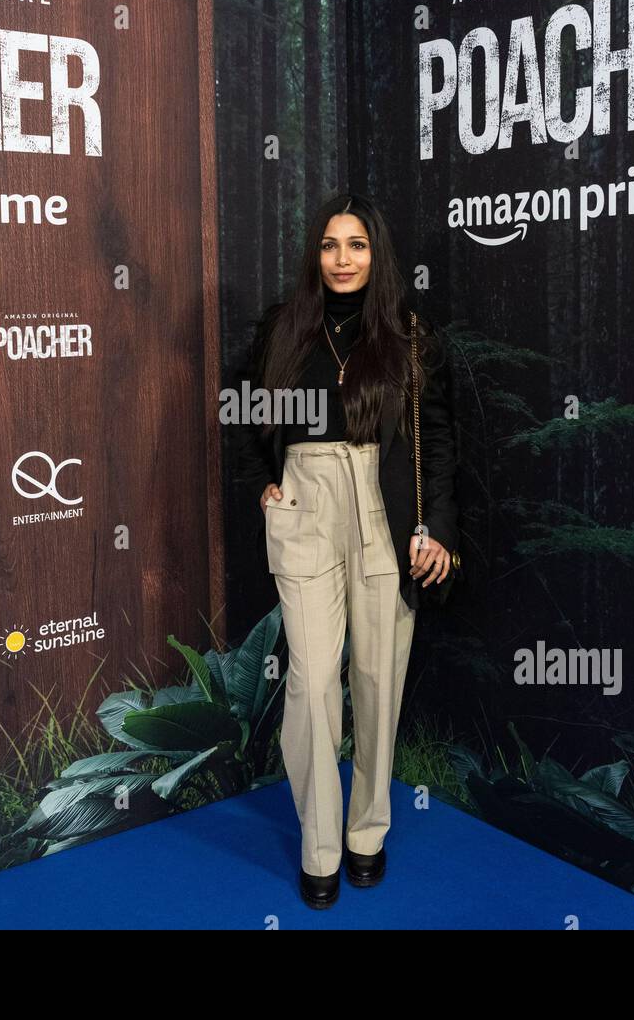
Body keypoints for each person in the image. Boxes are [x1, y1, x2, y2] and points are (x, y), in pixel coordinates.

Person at [230, 192, 460, 909]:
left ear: (375, 253)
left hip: (384, 507)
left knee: (378, 675)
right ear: (315, 253)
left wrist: (441, 529)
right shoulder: (285, 329)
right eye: (330, 245)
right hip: (305, 503)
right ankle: (319, 843)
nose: (342, 259)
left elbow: (440, 439)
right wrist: (267, 479)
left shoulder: (408, 335)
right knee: (312, 679)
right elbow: (248, 410)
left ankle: (367, 834)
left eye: (356, 245)